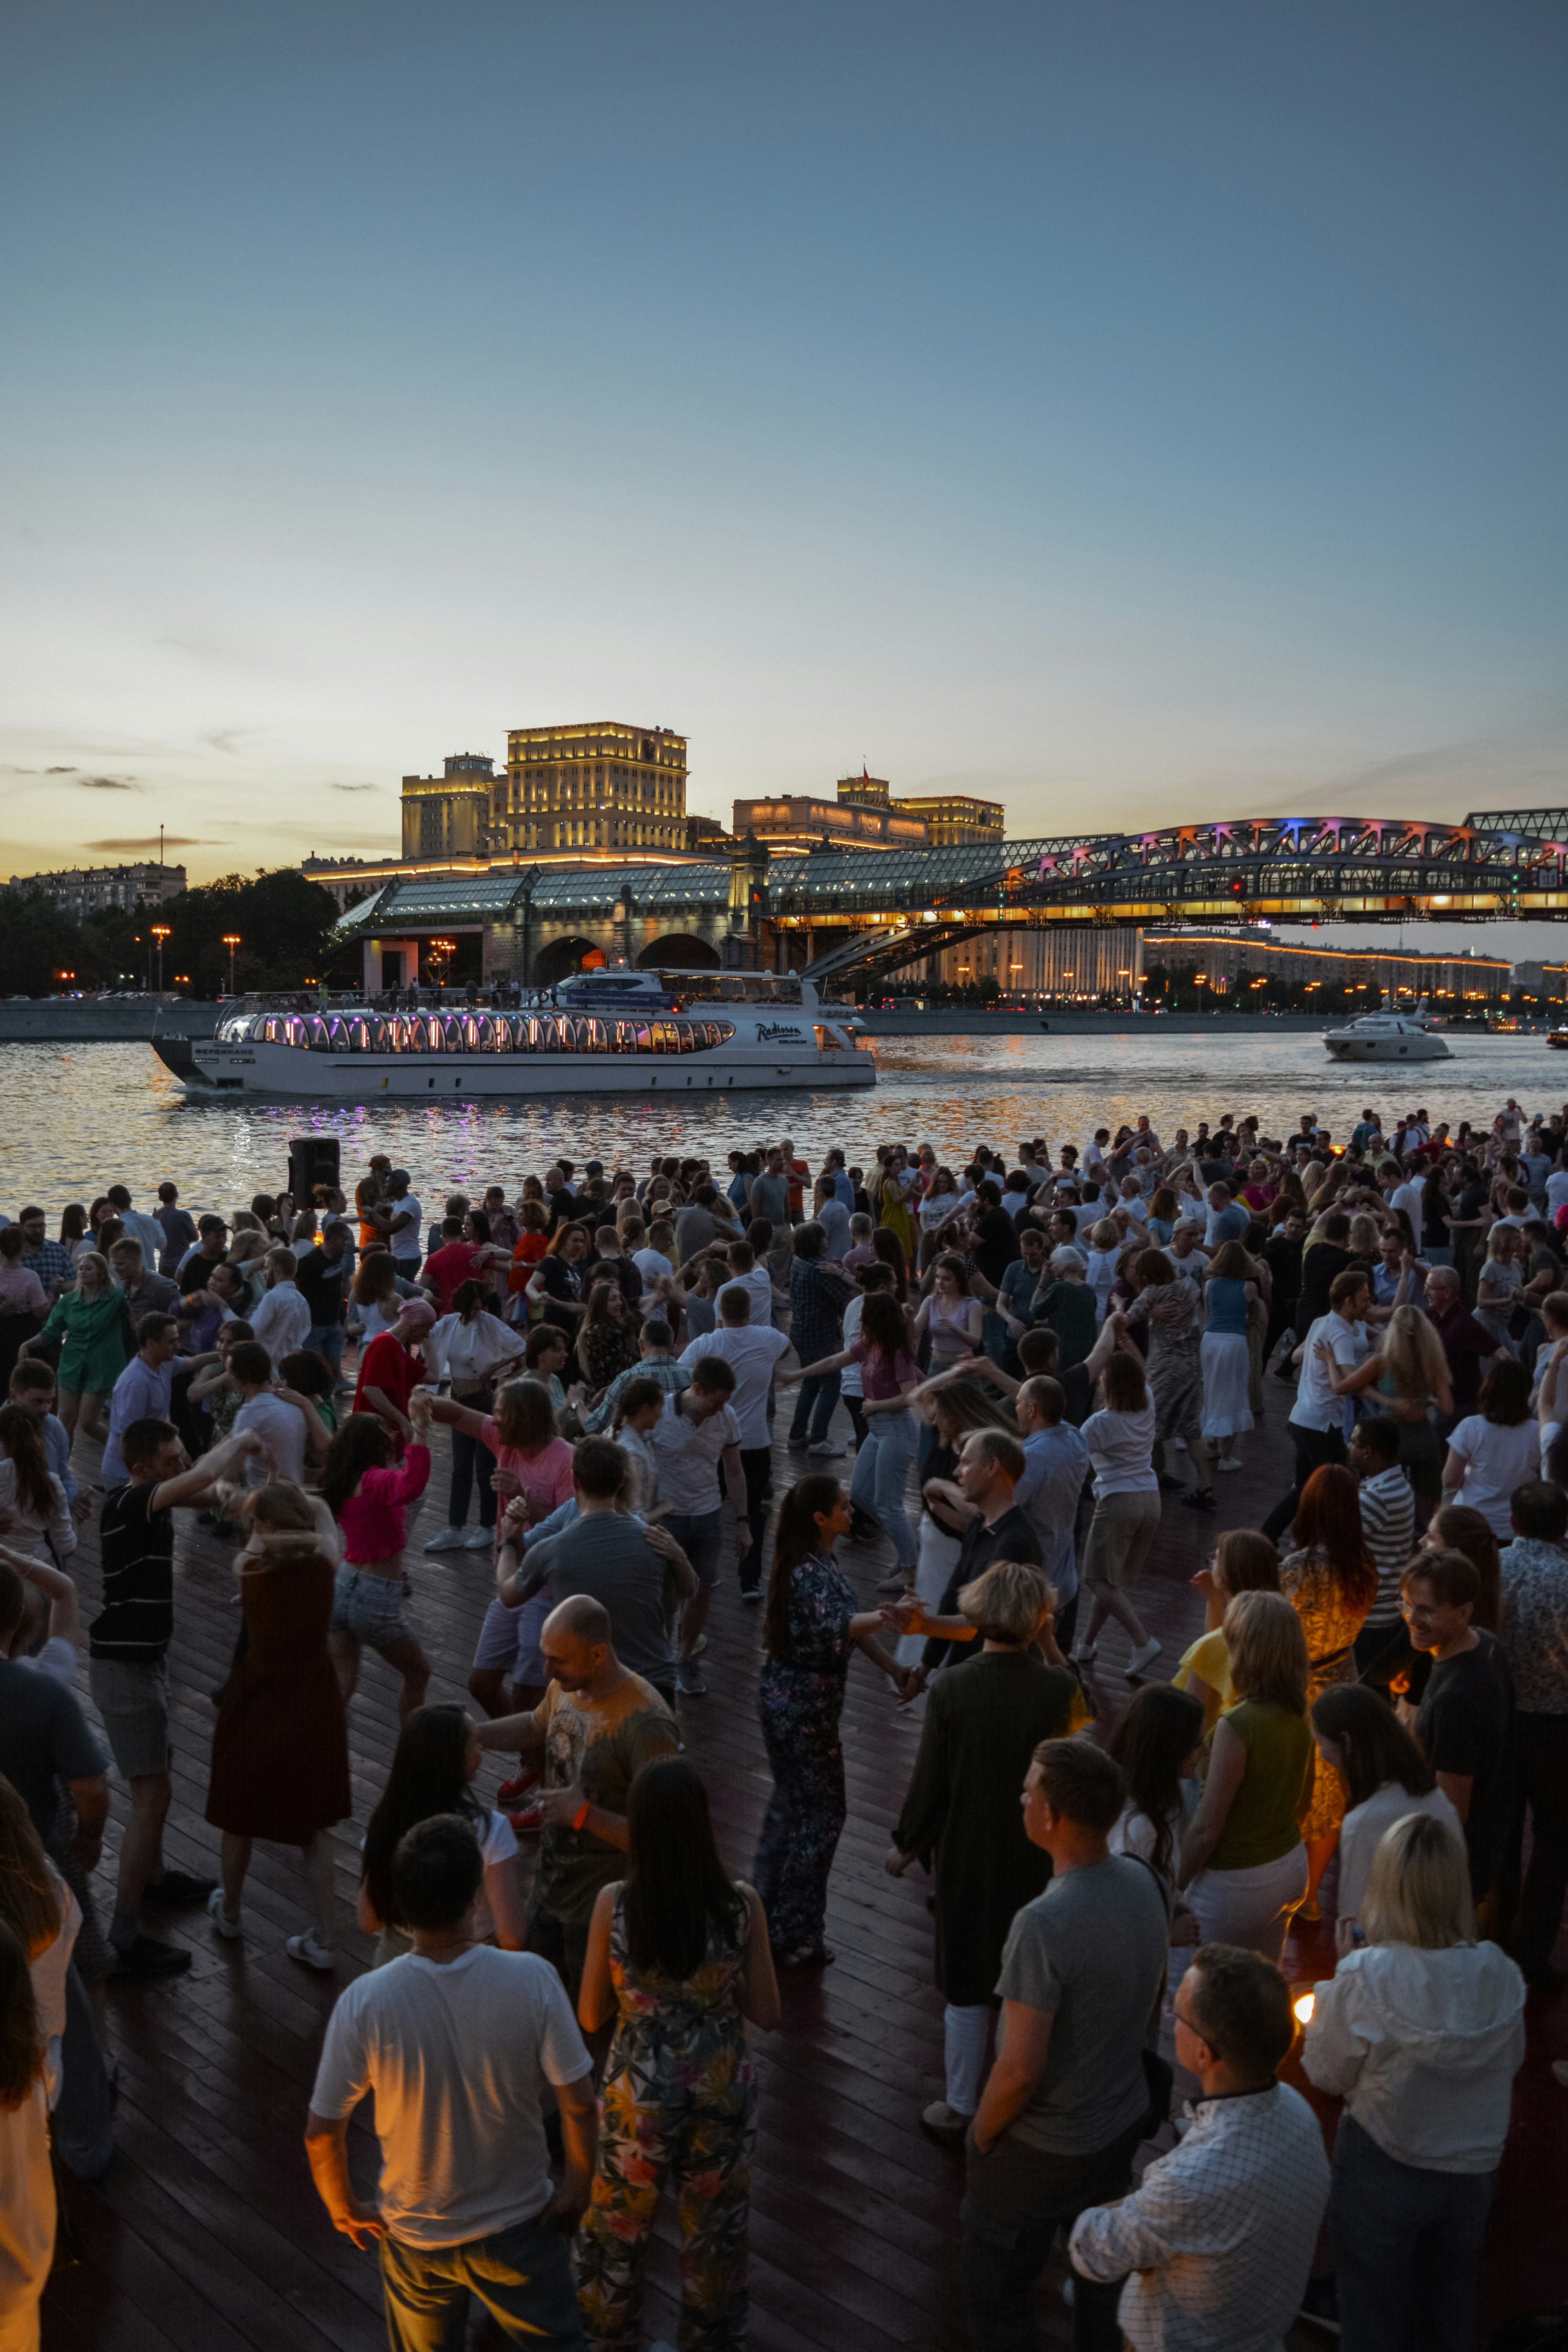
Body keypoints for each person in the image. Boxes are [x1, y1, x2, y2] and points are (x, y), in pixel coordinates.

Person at [305, 1813, 597, 2352]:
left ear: (402, 1900)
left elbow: (323, 2133)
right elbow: (579, 2104)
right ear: (474, 1898)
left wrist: (344, 2205)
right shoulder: (532, 1977)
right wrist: (579, 2188)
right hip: (522, 2225)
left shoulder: (365, 2002)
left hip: (417, 2236)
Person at [962, 1738, 1170, 2352]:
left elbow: (1021, 2068)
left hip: (1045, 2146)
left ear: (1050, 1816)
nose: (1021, 1797)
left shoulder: (1043, 1924)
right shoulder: (1141, 1878)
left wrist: (981, 2133)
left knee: (996, 2292)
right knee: (1100, 2286)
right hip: (1120, 2121)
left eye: (1029, 1789)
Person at [576, 1757, 780, 2351]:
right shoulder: (740, 1904)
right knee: (716, 2234)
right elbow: (768, 2011)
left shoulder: (615, 1903)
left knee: (617, 2232)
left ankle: (609, 2340)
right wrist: (719, 1984)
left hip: (639, 2093)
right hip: (721, 2086)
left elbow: (590, 2014)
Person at [1302, 1812, 1526, 2352]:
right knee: (1449, 2303)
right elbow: (1512, 2060)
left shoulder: (1367, 1974)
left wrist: (1342, 1973)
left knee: (1370, 2306)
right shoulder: (1500, 1972)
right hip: (1471, 2172)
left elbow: (1326, 2071)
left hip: (1385, 2159)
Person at [887, 1560, 1077, 2146]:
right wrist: (1049, 1642)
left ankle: (963, 2103)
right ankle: (1020, 2088)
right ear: (1039, 1618)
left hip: (969, 1849)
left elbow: (931, 1782)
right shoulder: (1055, 1688)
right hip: (1040, 1851)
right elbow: (1083, 1715)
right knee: (1025, 1979)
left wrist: (907, 1843)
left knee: (967, 1982)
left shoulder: (954, 1689)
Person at [1071, 1944, 1330, 2352]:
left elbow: (1092, 2250)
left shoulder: (1187, 2185)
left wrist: (1121, 2205)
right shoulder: (1300, 2115)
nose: (1171, 2018)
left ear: (1203, 2051)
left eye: (1177, 2012)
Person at [89, 1415, 264, 1976]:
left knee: (157, 1775)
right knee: (153, 1794)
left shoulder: (151, 1499)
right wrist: (241, 1436)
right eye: (172, 1460)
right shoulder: (129, 1503)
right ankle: (122, 1930)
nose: (183, 1464)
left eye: (183, 1454)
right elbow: (205, 1476)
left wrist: (250, 1499)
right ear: (142, 1470)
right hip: (125, 1668)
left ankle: (157, 1880)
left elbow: (211, 1490)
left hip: (145, 1661)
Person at [475, 1594, 680, 2002]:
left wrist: (583, 1813)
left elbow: (662, 1840)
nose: (547, 1670)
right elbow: (536, 1726)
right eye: (545, 1657)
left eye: (559, 1660)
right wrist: (473, 1735)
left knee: (587, 2027)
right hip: (549, 1892)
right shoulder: (565, 1686)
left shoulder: (647, 1724)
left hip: (603, 1911)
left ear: (598, 1652)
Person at [755, 1474, 906, 1968]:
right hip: (803, 1708)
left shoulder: (814, 1562)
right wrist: (887, 1616)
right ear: (820, 1518)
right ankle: (792, 1929)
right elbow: (838, 1627)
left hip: (794, 1701)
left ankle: (773, 1915)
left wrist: (894, 1668)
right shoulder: (812, 1572)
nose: (851, 1512)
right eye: (842, 1507)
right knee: (821, 1817)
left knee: (798, 1810)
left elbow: (849, 1629)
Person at [203, 1482, 352, 1971]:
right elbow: (325, 1508)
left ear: (263, 1526)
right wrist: (287, 1496)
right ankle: (328, 1937)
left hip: (259, 1693)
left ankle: (230, 1910)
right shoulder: (327, 1560)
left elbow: (258, 1541)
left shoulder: (248, 1567)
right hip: (313, 1693)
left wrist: (249, 1498)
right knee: (315, 1825)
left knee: (237, 1811)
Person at [498, 1436, 689, 1711]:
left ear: (575, 1480)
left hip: (587, 1688)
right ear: (622, 1482)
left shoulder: (552, 1550)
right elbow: (673, 1603)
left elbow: (508, 1594)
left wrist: (507, 1541)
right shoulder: (655, 1542)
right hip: (652, 1686)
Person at [1178, 1591, 1313, 1963]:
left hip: (1233, 1884)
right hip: (1288, 1867)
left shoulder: (1238, 1725)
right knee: (1259, 1985)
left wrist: (1171, 1889)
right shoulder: (1298, 1713)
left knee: (1189, 1989)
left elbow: (1207, 1827)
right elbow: (1304, 1804)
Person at [1278, 1463, 1378, 1915]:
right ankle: (1311, 1894)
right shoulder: (1364, 1565)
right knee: (1329, 1795)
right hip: (1342, 1680)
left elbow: (1275, 1623)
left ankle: (1279, 1883)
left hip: (1298, 1686)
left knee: (1290, 1784)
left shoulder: (1297, 1567)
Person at [358, 1704, 528, 1967]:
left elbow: (368, 1921)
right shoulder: (492, 1830)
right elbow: (512, 1938)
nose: (480, 1752)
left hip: (396, 1963)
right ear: (451, 1759)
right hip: (471, 1965)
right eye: (474, 1745)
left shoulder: (386, 1822)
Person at [1401, 1549, 1516, 1915]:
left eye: (1426, 1610)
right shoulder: (1486, 1643)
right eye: (1406, 1605)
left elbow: (1451, 1811)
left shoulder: (1455, 1701)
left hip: (1451, 1868)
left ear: (1463, 1612)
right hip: (1488, 1842)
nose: (1412, 1620)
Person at [1309, 1683, 1464, 1929]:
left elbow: (1354, 1919)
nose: (1320, 1754)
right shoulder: (1440, 1802)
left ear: (1347, 1741)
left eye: (1321, 1743)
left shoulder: (1363, 1822)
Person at [320, 1397, 435, 1722]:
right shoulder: (374, 1481)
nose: (393, 1444)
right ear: (377, 1447)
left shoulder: (344, 1481)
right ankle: (412, 1756)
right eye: (388, 1440)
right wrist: (421, 1430)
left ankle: (311, 1755)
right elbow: (412, 1484)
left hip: (342, 1588)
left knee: (342, 1682)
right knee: (419, 1674)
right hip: (376, 1595)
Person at [1496, 1478, 1568, 1984]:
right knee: (1553, 1840)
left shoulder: (1494, 1569)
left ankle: (1490, 1933)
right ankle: (1531, 1951)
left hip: (1498, 1718)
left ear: (1514, 1521)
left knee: (1496, 1831)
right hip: (1555, 1727)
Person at [646, 1357, 749, 1697]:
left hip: (707, 1514)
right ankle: (660, 1657)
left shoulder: (726, 1418)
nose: (719, 1410)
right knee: (667, 1594)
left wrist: (742, 1522)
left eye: (725, 1404)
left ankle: (685, 1657)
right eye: (715, 1402)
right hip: (668, 1517)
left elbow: (734, 1471)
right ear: (697, 1389)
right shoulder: (659, 1415)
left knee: (703, 1588)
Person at [682, 1284, 790, 1584]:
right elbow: (787, 1348)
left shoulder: (706, 1343)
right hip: (755, 1443)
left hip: (713, 1444)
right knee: (753, 1512)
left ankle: (704, 1573)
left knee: (708, 1510)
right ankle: (750, 1581)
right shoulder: (768, 1338)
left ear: (720, 1310)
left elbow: (680, 1375)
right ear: (749, 1310)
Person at [1262, 1264, 1370, 1543]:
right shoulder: (1342, 1335)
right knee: (1335, 1490)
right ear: (1348, 1301)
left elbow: (1299, 1356)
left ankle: (1274, 1537)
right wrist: (1386, 1390)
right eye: (1365, 1298)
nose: (1368, 1303)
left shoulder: (1320, 1322)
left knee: (1304, 1488)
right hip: (1322, 1425)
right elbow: (1351, 1382)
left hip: (1301, 1419)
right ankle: (1323, 1545)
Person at [1076, 1342, 1163, 1677]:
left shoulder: (1098, 1424)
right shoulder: (1148, 1403)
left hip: (1117, 1502)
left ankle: (1142, 1641)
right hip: (1150, 1500)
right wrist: (1123, 1338)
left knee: (1095, 1579)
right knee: (1110, 1582)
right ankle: (1085, 1644)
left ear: (1108, 1385)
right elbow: (1140, 1374)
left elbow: (1075, 1464)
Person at [420, 1280, 527, 1550]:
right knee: (460, 1466)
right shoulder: (451, 1323)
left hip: (482, 1401)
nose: (476, 1313)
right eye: (473, 1309)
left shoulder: (488, 1322)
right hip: (459, 1399)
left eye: (480, 1308)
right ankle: (455, 1527)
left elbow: (518, 1346)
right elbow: (426, 1335)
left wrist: (494, 1368)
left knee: (484, 1467)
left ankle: (486, 1526)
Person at [34, 1249, 136, 1447]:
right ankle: (61, 1468)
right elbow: (51, 1331)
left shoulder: (116, 1298)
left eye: (88, 1268)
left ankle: (122, 1450)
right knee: (65, 1421)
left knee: (88, 1423)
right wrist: (27, 1345)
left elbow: (136, 1309)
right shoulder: (70, 1301)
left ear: (101, 1272)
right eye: (80, 1268)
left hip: (101, 1367)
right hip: (72, 1364)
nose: (83, 1272)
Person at [1346, 1413, 1417, 1669]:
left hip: (1368, 1616)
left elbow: (1335, 1543)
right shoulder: (1399, 1485)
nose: (1348, 1447)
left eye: (1353, 1443)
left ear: (1367, 1451)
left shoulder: (1376, 1499)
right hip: (1386, 1609)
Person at [1441, 1354, 1538, 1538]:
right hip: (1517, 1528)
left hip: (1472, 1522)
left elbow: (1450, 1480)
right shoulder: (1537, 1432)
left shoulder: (1471, 1427)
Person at [1198, 1237, 1258, 1468]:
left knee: (1212, 1390)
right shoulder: (1249, 1288)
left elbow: (1207, 1313)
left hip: (1211, 1340)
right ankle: (1226, 1456)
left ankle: (1211, 1445)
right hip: (1234, 1342)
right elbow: (1252, 1317)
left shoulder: (1209, 1285)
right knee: (1233, 1394)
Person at [353, 1297, 435, 1455]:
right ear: (415, 1326)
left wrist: (428, 1340)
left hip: (383, 1433)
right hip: (375, 1433)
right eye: (427, 1329)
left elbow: (433, 1376)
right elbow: (371, 1389)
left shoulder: (397, 1347)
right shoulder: (385, 1344)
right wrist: (403, 1420)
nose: (427, 1335)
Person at [0, 1406, 74, 1568]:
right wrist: (75, 1519)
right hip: (39, 1569)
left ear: (2, 1440)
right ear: (38, 1436)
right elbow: (65, 1546)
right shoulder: (52, 1483)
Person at [293, 1217, 354, 1377]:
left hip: (333, 1321)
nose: (348, 1243)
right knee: (317, 1369)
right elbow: (293, 1280)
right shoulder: (312, 1261)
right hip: (315, 1324)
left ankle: (335, 1387)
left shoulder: (338, 1256)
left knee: (334, 1366)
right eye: (345, 1239)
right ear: (333, 1240)